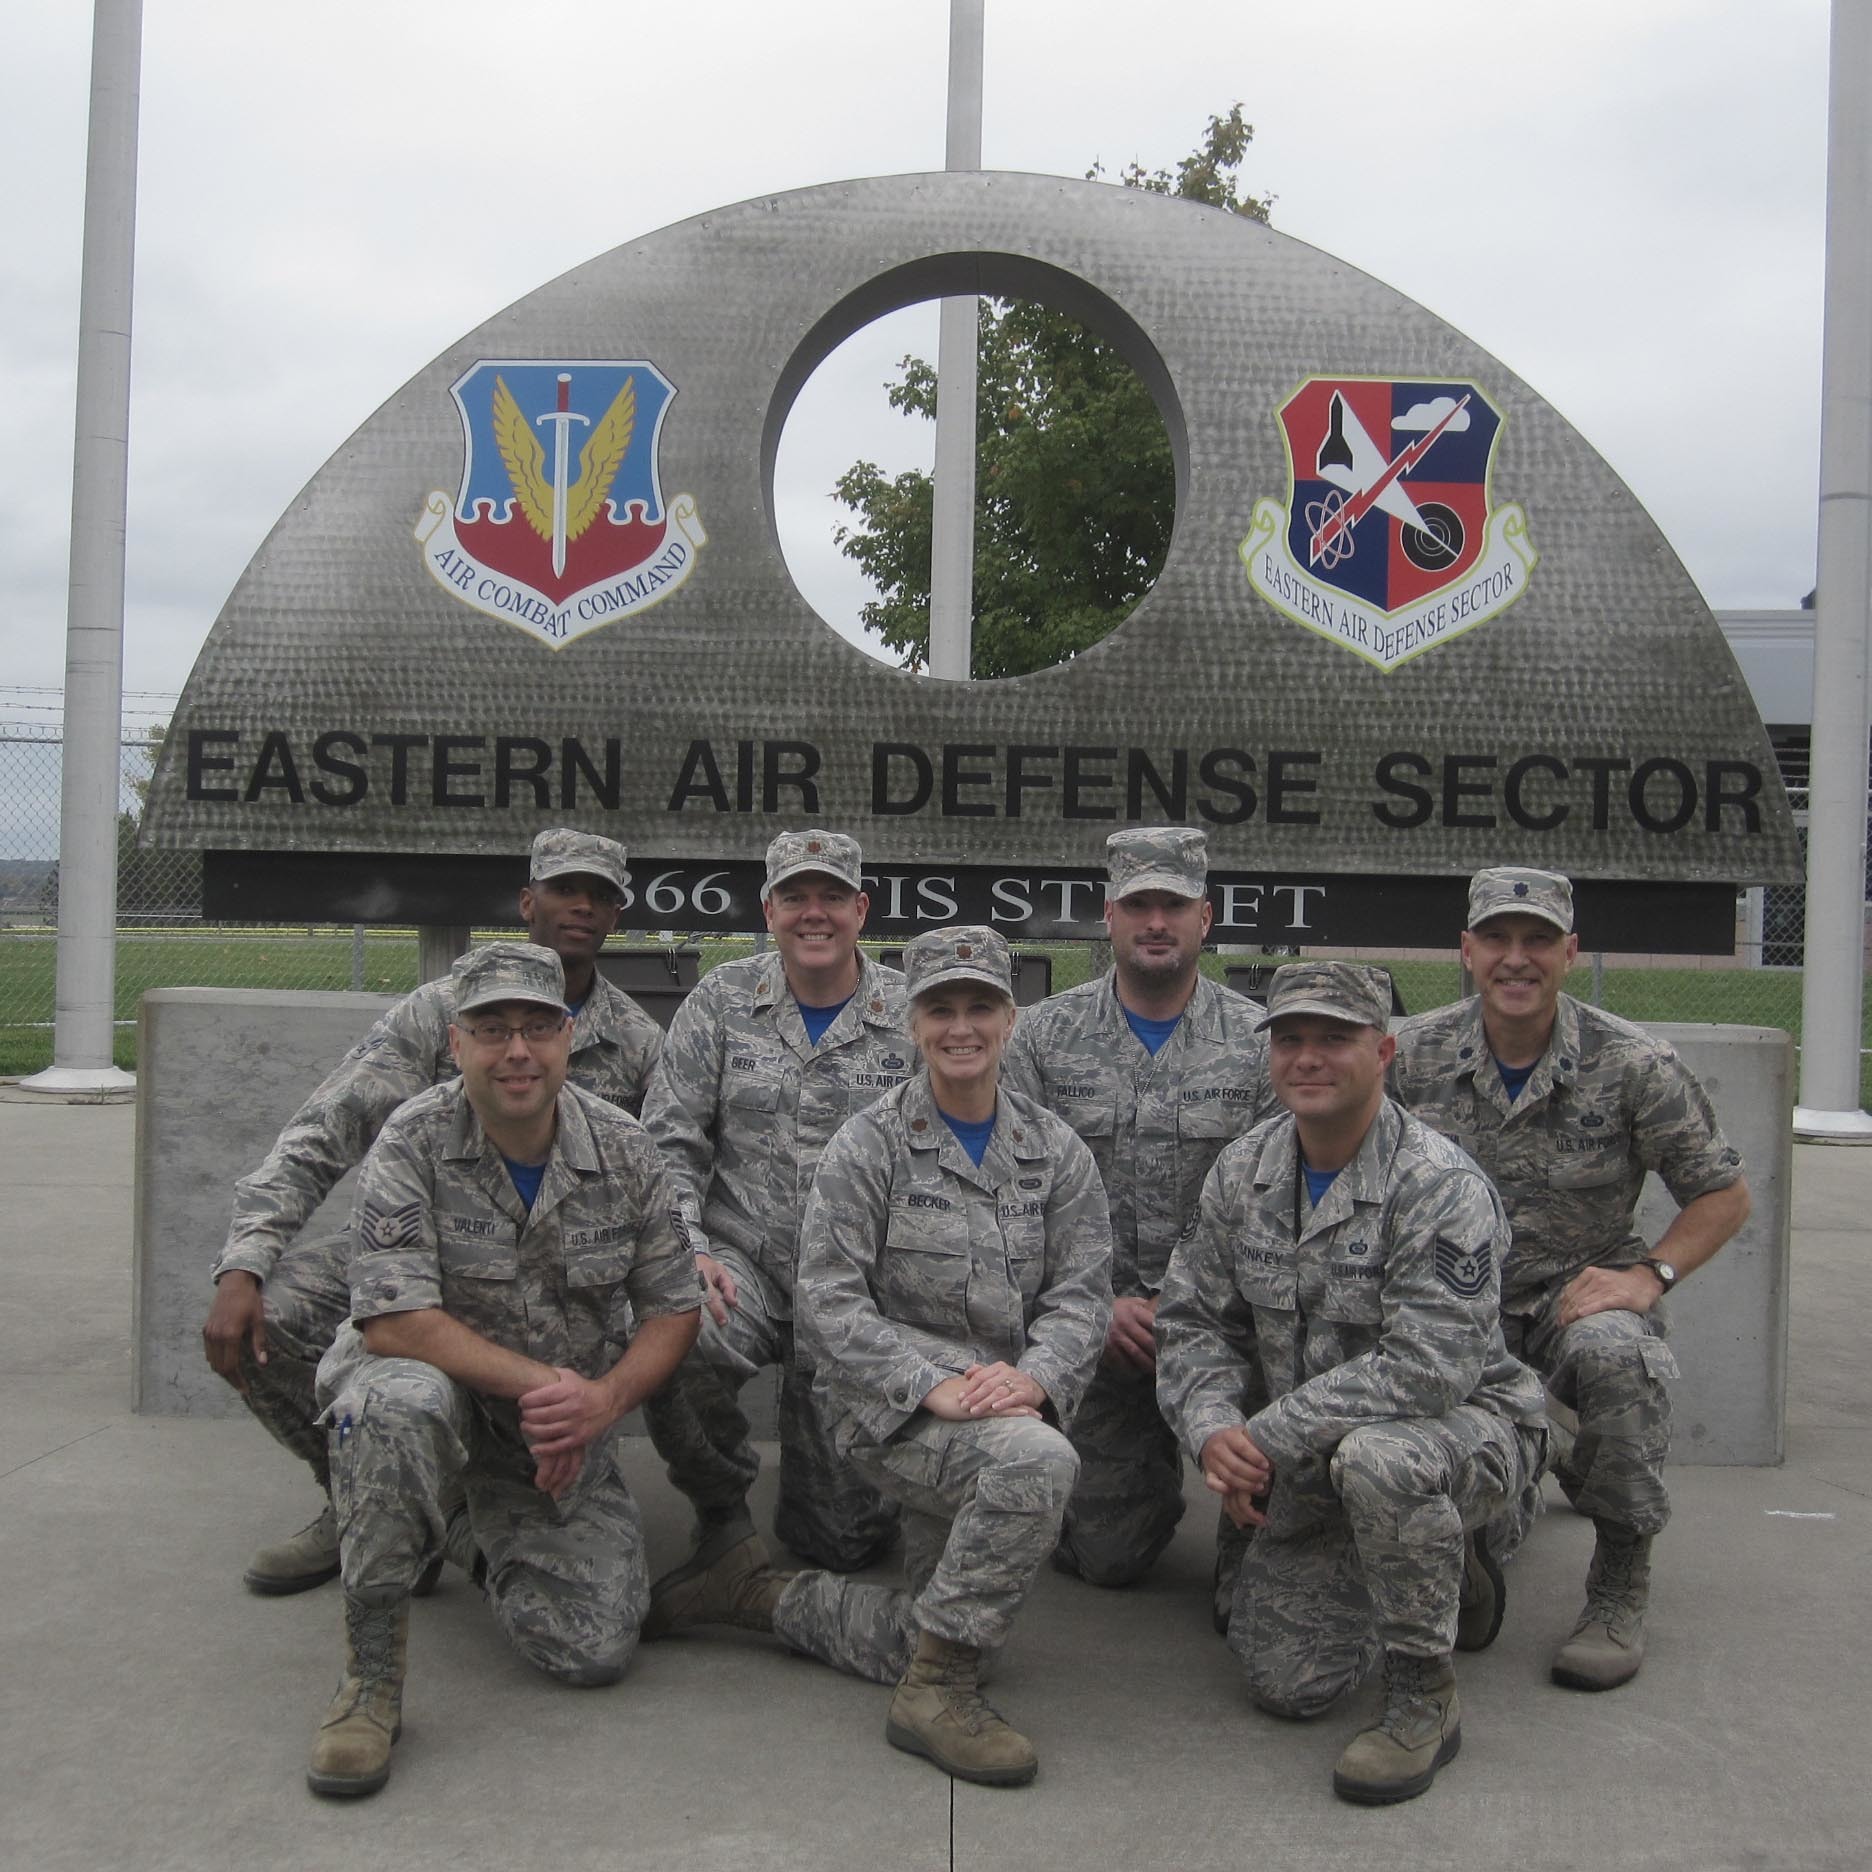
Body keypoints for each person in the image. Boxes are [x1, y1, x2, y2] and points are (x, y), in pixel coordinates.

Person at [650, 926, 1112, 1787]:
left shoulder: (1057, 1153)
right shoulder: (868, 1145)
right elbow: (827, 1298)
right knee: (1039, 1463)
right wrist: (929, 1385)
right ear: (912, 1023)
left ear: (1010, 1020)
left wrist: (1038, 1376)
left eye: (980, 1007)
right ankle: (934, 1697)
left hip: (1000, 1403)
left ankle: (755, 1596)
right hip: (885, 1410)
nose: (961, 1027)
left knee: (954, 1623)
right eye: (941, 1009)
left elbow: (1083, 1297)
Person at [201, 829, 662, 1597]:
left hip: (552, 1284)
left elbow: (664, 1181)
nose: (581, 906)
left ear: (617, 914)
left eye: (600, 895)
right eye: (564, 889)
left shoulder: (638, 1043)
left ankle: (490, 1503)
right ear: (528, 902)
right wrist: (245, 1258)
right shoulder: (438, 1014)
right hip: (419, 1258)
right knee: (267, 1321)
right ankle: (369, 1500)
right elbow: (327, 1129)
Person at [305, 941, 699, 1798]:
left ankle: (453, 1522)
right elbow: (396, 1321)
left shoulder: (625, 1147)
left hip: (552, 1426)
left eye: (536, 1028)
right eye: (491, 1030)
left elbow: (674, 1309)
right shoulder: (412, 1138)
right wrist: (551, 1388)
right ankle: (370, 1683)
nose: (516, 1051)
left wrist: (602, 1403)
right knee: (396, 1408)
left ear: (567, 1037)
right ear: (457, 1043)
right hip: (434, 1386)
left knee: (593, 1649)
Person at [1156, 961, 1546, 1804]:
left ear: (1384, 1052)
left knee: (1381, 1462)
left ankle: (1423, 1695)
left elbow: (1429, 1366)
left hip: (1457, 1431)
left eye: (1334, 1039)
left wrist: (1265, 1435)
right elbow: (1191, 1322)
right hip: (1303, 1456)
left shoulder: (1437, 1184)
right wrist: (1214, 1429)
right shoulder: (1244, 1170)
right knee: (1287, 1684)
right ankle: (1409, 1558)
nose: (1308, 1057)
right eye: (1291, 1038)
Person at [1388, 866, 1750, 1691]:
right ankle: (1476, 1530)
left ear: (1571, 952)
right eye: (1498, 939)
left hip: (1572, 1298)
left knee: (1618, 1353)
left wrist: (1650, 1276)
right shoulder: (1411, 1056)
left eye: (1538, 941)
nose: (1517, 959)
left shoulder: (1633, 1064)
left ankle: (1618, 1582)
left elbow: (1723, 1195)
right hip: (1455, 1300)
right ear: (1467, 950)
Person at [1003, 825, 1275, 1617]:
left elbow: (1274, 1207)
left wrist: (1194, 1309)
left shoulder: (1261, 1044)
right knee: (1109, 1556)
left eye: (1174, 906)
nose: (1157, 922)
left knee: (1272, 1565)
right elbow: (1016, 1198)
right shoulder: (1042, 1039)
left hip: (1226, 1331)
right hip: (1101, 1330)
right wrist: (1097, 1303)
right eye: (1139, 905)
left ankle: (1268, 1527)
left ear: (1205, 918)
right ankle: (1131, 1478)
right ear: (1109, 915)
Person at [640, 829, 910, 1586]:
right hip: (743, 1265)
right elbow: (668, 1138)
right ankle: (722, 1511)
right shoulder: (722, 1001)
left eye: (831, 897)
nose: (813, 913)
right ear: (769, 910)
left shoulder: (912, 1012)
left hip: (858, 1284)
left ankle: (833, 1485)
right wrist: (687, 1245)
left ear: (861, 909)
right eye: (795, 897)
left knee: (842, 1542)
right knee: (674, 1333)